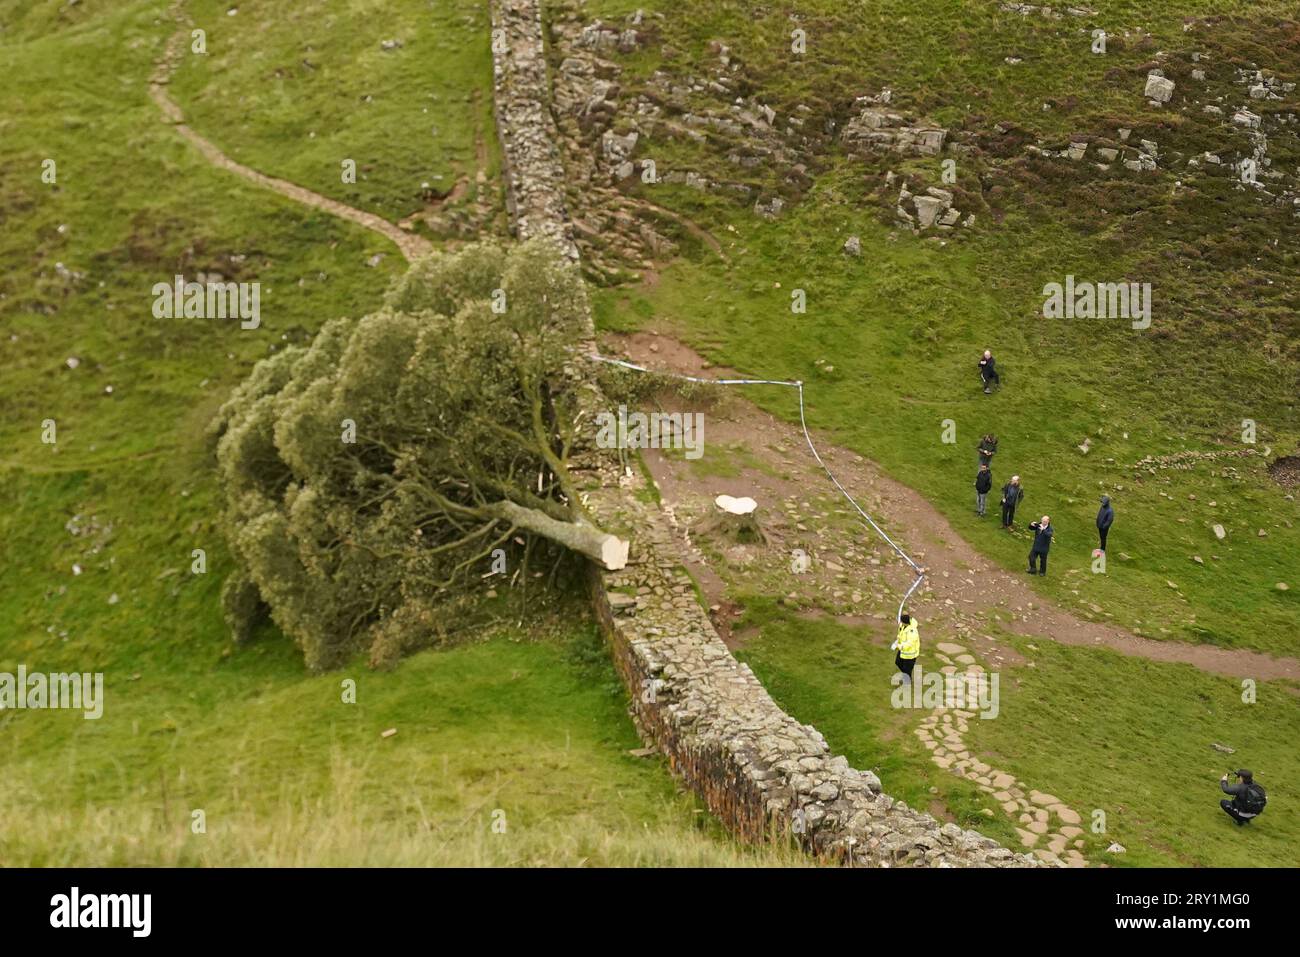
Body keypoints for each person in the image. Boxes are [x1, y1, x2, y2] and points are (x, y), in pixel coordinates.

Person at [891, 614, 920, 684]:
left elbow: (909, 643)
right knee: (898, 662)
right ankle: (906, 677)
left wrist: (899, 646)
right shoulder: (903, 626)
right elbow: (901, 634)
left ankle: (907, 682)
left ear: (905, 622)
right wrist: (897, 640)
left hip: (910, 654)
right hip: (903, 651)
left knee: (907, 669)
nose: (900, 622)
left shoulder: (912, 632)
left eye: (901, 621)